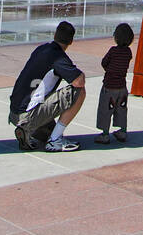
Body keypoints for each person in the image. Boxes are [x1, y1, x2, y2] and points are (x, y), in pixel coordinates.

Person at [9, 20, 86, 152]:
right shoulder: (59, 57)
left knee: (47, 133)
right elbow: (79, 81)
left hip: (14, 112)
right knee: (79, 92)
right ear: (71, 41)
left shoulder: (41, 49)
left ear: (55, 34)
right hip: (28, 114)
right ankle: (55, 141)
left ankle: (27, 131)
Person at [94, 22, 133, 145]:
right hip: (122, 87)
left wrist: (109, 70)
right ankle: (122, 131)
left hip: (109, 87)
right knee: (121, 109)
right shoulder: (128, 52)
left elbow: (104, 62)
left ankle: (105, 134)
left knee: (106, 110)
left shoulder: (113, 51)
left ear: (116, 37)